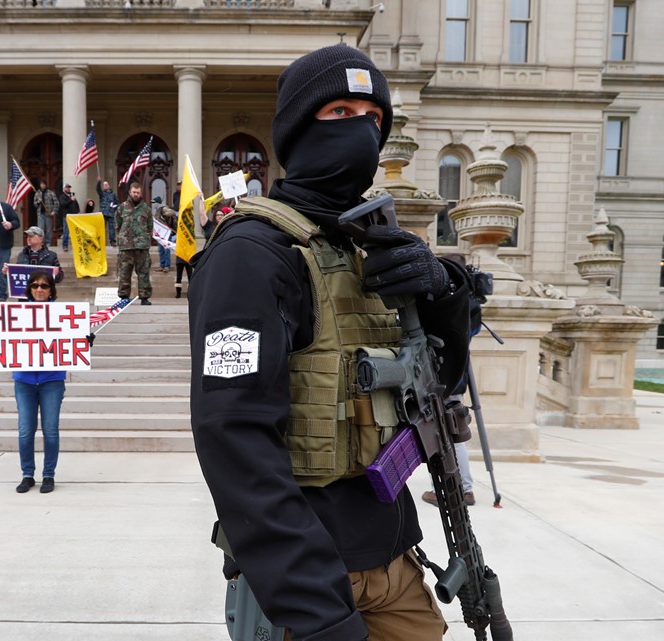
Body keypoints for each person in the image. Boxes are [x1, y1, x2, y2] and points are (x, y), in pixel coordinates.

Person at [189, 45, 477, 641]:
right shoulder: (251, 254)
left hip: (395, 562)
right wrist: (318, 615)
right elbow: (233, 441)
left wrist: (444, 295)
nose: (361, 131)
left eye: (373, 118)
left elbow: (435, 386)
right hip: (312, 581)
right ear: (297, 129)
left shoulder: (368, 247)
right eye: (339, 112)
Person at [12, 269, 66, 494]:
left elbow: (71, 340)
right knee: (26, 430)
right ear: (29, 290)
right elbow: (6, 337)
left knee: (50, 430)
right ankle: (27, 474)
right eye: (35, 286)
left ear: (51, 290)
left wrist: (84, 339)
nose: (40, 290)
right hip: (24, 379)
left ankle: (48, 475)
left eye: (44, 286)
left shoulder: (62, 313)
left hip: (52, 379)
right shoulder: (16, 313)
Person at [116, 181, 153, 305]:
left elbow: (149, 226)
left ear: (141, 193)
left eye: (138, 192)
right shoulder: (122, 208)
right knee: (124, 272)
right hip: (126, 247)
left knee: (144, 273)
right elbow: (117, 225)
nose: (136, 194)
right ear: (130, 192)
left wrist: (143, 238)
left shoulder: (146, 209)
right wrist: (122, 238)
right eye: (134, 192)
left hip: (142, 246)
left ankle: (144, 297)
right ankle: (124, 297)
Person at [32, 179, 59, 249]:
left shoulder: (51, 193)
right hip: (40, 214)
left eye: (43, 184)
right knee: (40, 229)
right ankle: (41, 242)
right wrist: (38, 202)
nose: (42, 185)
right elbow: (34, 204)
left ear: (45, 185)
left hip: (48, 214)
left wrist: (54, 212)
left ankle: (48, 242)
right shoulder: (37, 193)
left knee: (49, 229)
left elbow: (56, 203)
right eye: (41, 184)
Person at [153, 196, 177, 273]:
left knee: (166, 250)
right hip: (160, 234)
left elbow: (172, 212)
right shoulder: (157, 211)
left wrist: (164, 215)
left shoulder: (163, 208)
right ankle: (162, 265)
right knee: (161, 250)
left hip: (166, 233)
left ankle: (167, 266)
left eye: (154, 203)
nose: (153, 204)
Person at [95, 177, 119, 246]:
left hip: (111, 213)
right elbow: (98, 189)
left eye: (106, 184)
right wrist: (99, 182)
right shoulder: (102, 193)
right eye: (104, 185)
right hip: (103, 213)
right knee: (101, 228)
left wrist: (114, 206)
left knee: (112, 228)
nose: (105, 186)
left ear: (109, 186)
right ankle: (100, 241)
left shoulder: (113, 194)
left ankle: (112, 241)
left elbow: (117, 203)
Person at [58, 183, 80, 251]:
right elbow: (63, 204)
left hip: (74, 215)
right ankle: (65, 245)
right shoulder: (62, 196)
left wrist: (78, 210)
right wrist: (71, 200)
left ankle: (76, 244)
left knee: (75, 231)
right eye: (67, 187)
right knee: (66, 231)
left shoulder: (72, 196)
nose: (68, 189)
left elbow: (76, 204)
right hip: (67, 216)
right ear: (64, 189)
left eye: (69, 187)